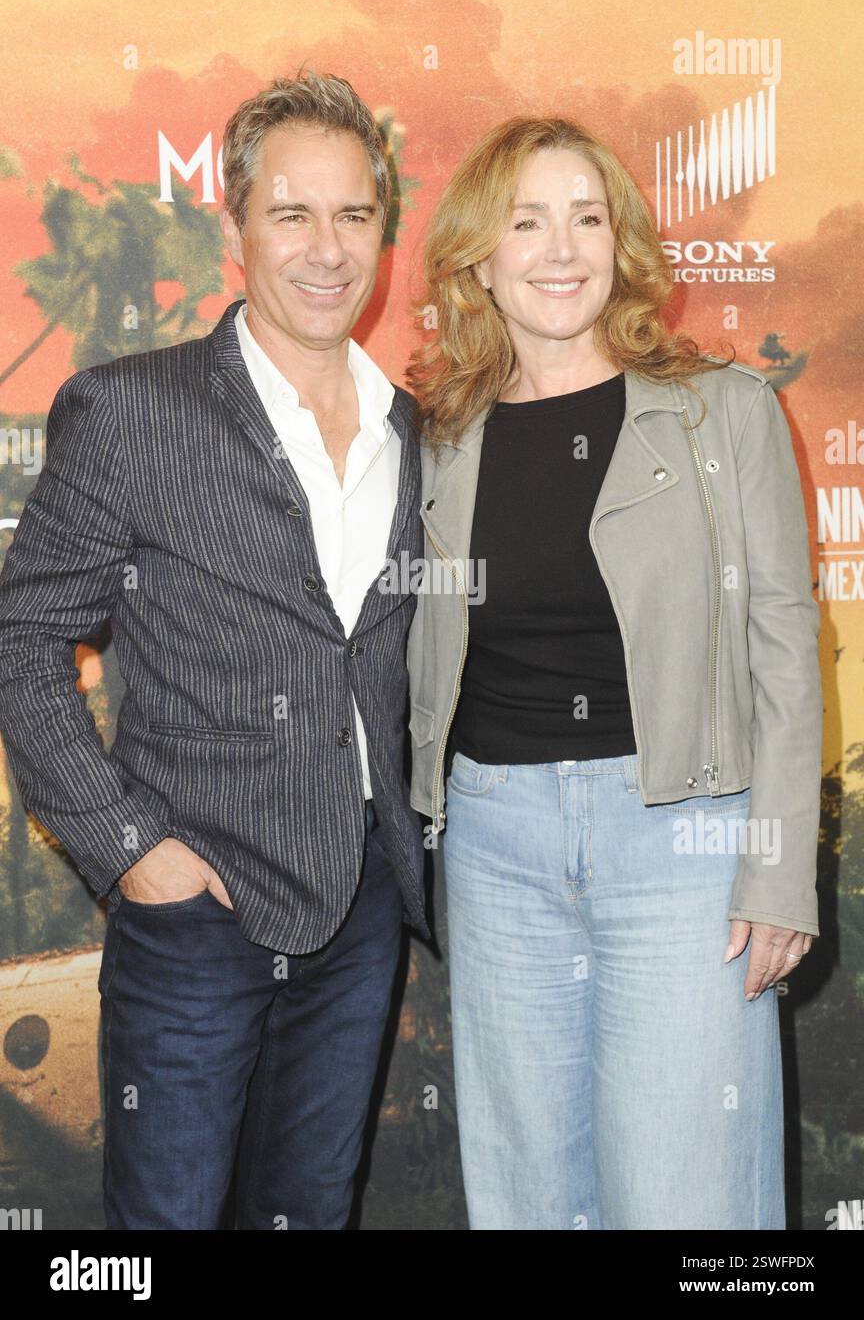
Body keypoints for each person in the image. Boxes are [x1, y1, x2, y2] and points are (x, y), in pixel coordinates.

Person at [0, 67, 430, 1230]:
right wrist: (134, 848)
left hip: (361, 910)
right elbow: (25, 639)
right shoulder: (134, 410)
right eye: (292, 212)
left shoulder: (415, 432)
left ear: (385, 230)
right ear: (235, 224)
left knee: (310, 1213)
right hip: (197, 915)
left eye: (355, 213)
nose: (326, 247)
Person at [405, 116, 821, 1230]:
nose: (559, 248)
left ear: (622, 242)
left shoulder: (722, 410)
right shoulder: (441, 432)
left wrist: (779, 870)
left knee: (691, 1199)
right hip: (496, 846)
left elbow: (787, 644)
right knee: (530, 1196)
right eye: (525, 220)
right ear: (478, 258)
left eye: (586, 217)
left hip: (682, 841)